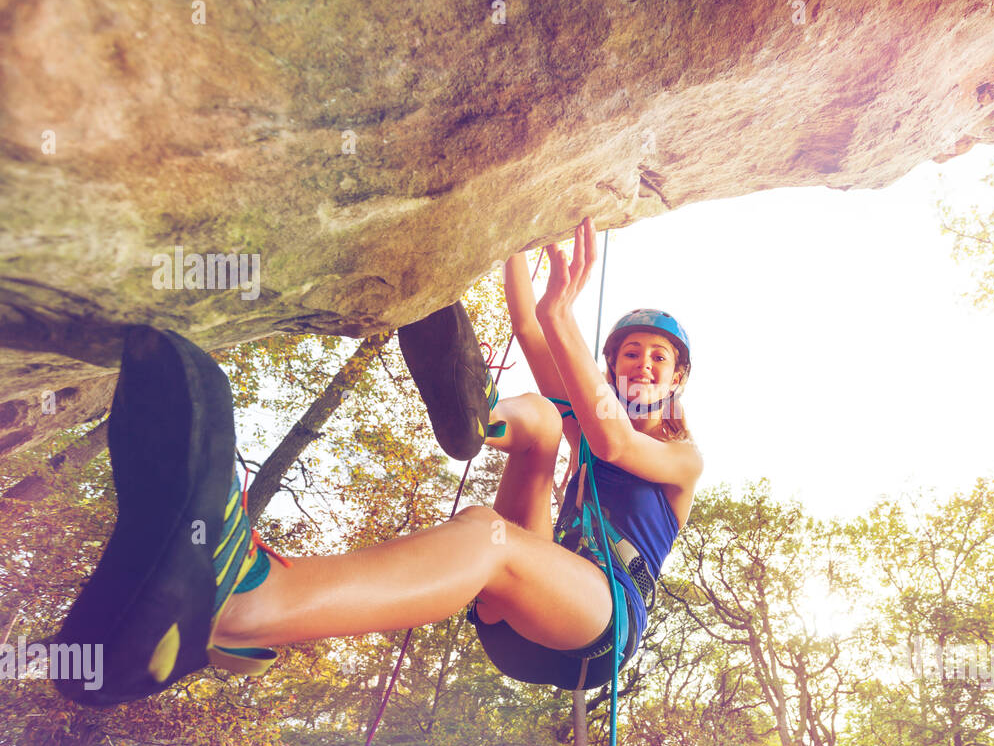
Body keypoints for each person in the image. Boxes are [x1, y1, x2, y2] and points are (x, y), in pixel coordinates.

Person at [53, 217, 703, 705]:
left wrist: (563, 313)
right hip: (528, 606)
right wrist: (515, 234)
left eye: (657, 357)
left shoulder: (683, 458)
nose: (642, 363)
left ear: (677, 380)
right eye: (630, 352)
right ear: (612, 365)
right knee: (540, 421)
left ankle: (251, 604)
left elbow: (615, 442)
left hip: (601, 621)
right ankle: (479, 415)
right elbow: (533, 330)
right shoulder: (586, 416)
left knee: (488, 530)